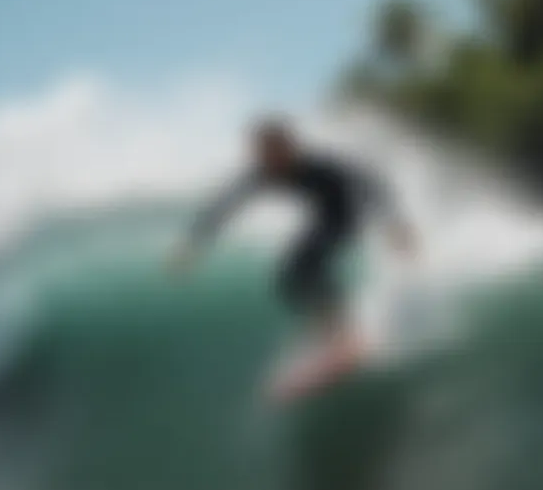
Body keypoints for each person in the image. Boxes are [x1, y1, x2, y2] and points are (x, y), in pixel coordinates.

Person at [169, 117, 417, 360]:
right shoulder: (263, 173)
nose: (269, 160)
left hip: (349, 215)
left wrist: (394, 224)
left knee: (307, 265)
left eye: (274, 152)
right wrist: (194, 244)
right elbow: (225, 204)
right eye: (263, 154)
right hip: (323, 219)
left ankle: (346, 332)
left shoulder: (317, 165)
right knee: (288, 280)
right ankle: (330, 331)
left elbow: (370, 182)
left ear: (289, 147)